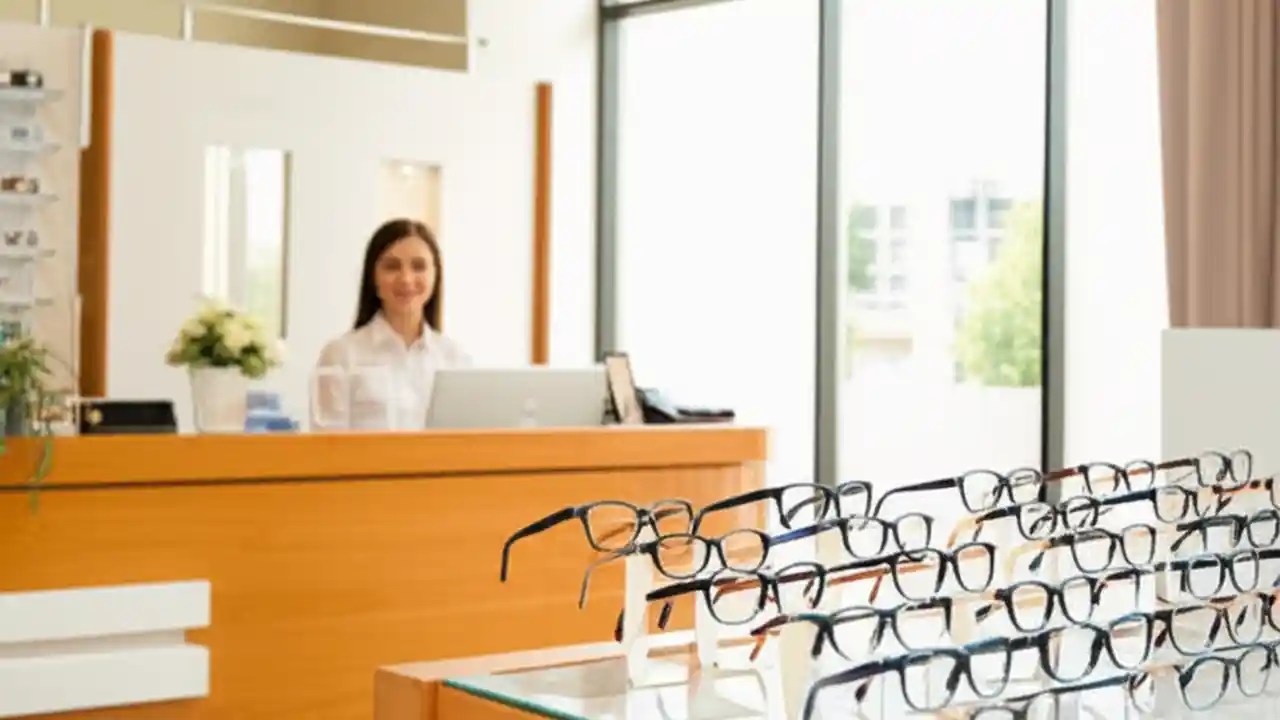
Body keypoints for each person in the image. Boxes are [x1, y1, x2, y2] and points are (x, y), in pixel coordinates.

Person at [313, 219, 471, 429]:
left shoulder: (455, 359)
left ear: (436, 276)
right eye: (392, 267)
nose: (406, 279)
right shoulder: (341, 355)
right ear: (373, 278)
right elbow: (327, 447)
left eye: (419, 267)